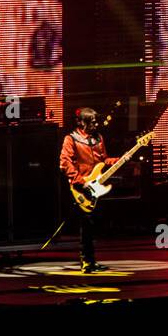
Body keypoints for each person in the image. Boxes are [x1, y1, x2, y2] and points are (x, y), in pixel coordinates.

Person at [58, 107, 117, 273]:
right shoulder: (71, 139)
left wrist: (119, 160)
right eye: (91, 122)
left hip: (95, 188)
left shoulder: (98, 138)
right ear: (80, 122)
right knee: (86, 225)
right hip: (81, 188)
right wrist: (79, 180)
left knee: (93, 227)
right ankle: (87, 261)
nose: (95, 125)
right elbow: (65, 163)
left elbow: (103, 161)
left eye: (96, 121)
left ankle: (91, 261)